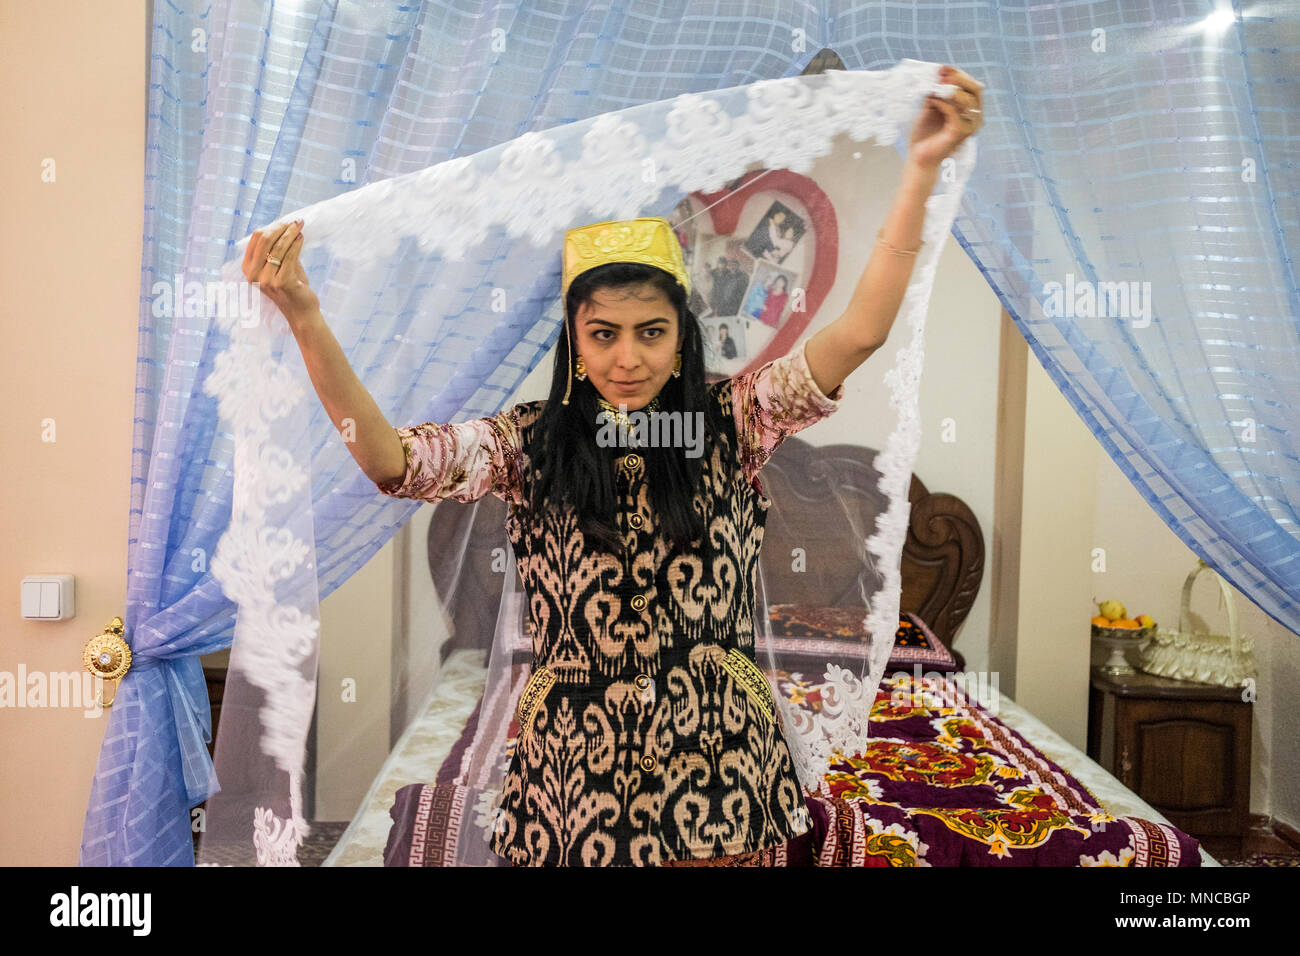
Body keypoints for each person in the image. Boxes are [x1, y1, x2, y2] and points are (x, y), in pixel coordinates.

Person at [239, 64, 984, 866]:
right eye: (604, 334)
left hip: (718, 761)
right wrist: (307, 316)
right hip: (571, 769)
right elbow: (392, 463)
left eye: (651, 333)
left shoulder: (736, 419)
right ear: (576, 337)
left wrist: (921, 170)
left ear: (681, 333)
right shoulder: (528, 443)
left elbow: (861, 333)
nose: (627, 358)